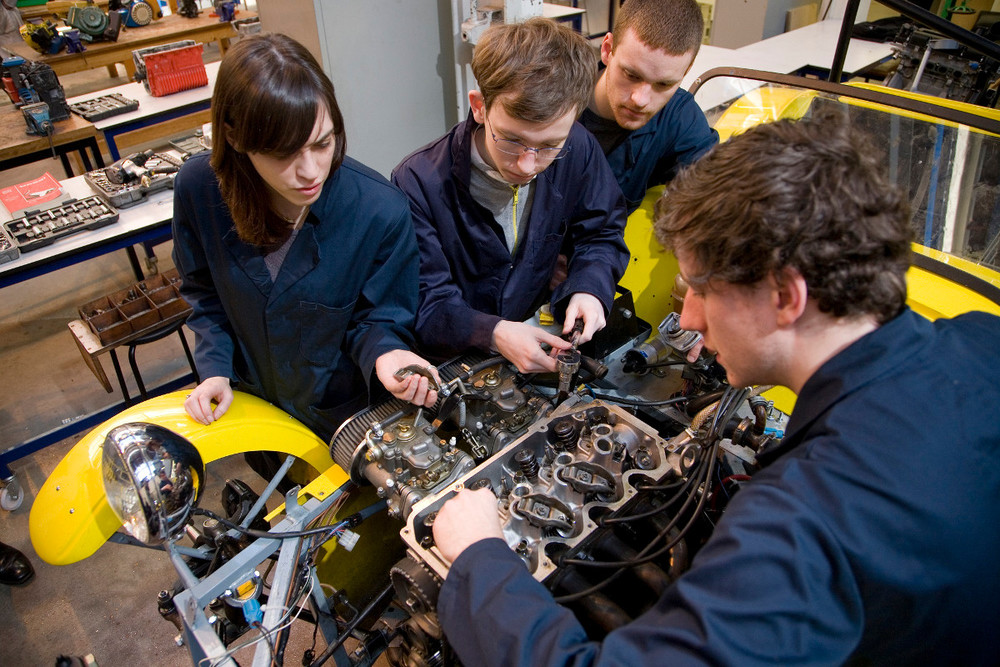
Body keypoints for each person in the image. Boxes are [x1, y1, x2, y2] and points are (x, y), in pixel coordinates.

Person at [430, 113, 1000, 665]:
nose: (692, 317)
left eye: (700, 287)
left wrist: (481, 559)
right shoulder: (981, 339)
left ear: (785, 296)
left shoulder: (802, 525)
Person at [172, 34, 438, 445]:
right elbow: (205, 294)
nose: (311, 171)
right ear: (235, 137)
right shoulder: (199, 189)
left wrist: (389, 352)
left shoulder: (378, 210)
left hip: (340, 420)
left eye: (323, 143)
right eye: (284, 154)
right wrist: (214, 368)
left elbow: (379, 317)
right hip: (252, 405)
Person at [392, 18, 629, 374]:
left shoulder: (578, 147)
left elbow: (601, 232)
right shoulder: (417, 182)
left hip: (534, 334)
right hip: (455, 359)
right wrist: (495, 332)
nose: (527, 164)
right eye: (512, 139)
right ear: (479, 106)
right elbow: (426, 300)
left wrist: (590, 288)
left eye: (550, 146)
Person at [581, 0, 718, 214]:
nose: (640, 100)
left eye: (664, 84)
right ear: (608, 50)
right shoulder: (556, 99)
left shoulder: (679, 118)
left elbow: (713, 193)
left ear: (686, 70)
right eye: (631, 75)